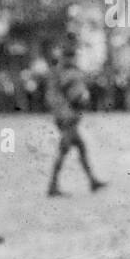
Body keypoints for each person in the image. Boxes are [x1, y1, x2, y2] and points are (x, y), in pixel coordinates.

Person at [45, 43, 106, 197]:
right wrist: (66, 113)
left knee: (80, 148)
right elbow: (56, 97)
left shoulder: (68, 71)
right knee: (64, 149)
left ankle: (92, 181)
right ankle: (53, 186)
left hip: (70, 116)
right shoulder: (62, 73)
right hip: (67, 117)